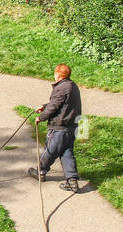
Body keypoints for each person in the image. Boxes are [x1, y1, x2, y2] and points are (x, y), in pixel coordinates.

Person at [28, 63, 83, 192]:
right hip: (71, 126)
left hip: (60, 126)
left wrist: (41, 118)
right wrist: (44, 106)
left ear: (58, 75)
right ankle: (72, 180)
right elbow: (61, 103)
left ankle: (40, 172)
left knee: (51, 150)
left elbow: (54, 106)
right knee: (66, 152)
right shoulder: (72, 86)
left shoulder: (61, 88)